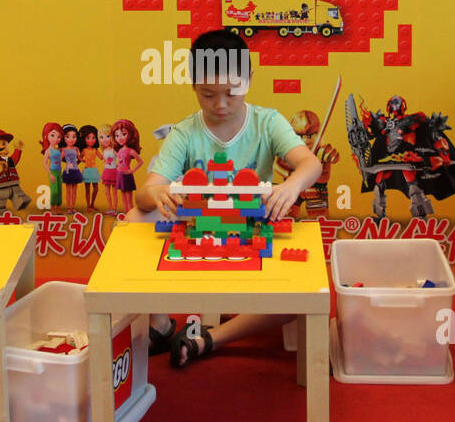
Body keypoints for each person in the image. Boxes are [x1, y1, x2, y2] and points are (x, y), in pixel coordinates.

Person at [132, 29, 322, 368]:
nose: (220, 104)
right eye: (208, 95)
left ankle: (210, 338)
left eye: (232, 92)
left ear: (249, 79)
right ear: (193, 85)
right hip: (200, 225)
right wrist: (159, 191)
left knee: (301, 296)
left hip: (250, 226)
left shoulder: (267, 122)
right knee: (134, 221)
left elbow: (310, 163)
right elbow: (144, 195)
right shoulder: (185, 132)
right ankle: (159, 324)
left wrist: (291, 186)